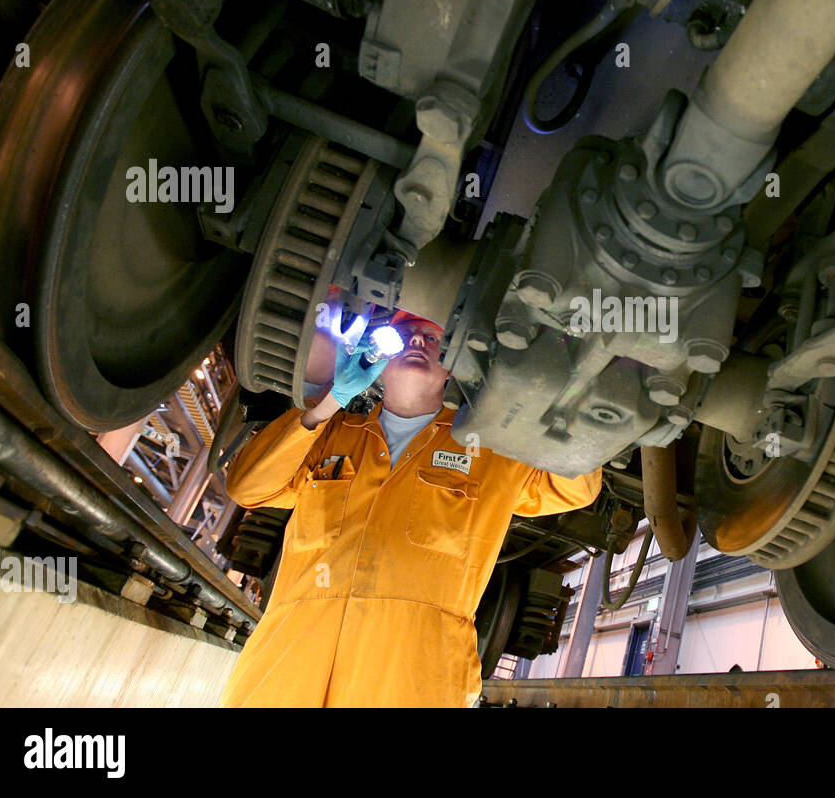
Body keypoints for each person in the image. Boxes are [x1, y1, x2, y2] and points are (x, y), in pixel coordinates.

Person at [219, 303, 602, 707]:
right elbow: (248, 486)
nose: (417, 340)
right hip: (288, 667)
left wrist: (548, 395)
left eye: (433, 337)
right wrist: (331, 399)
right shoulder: (331, 436)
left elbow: (576, 488)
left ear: (453, 366)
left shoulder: (492, 455)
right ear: (377, 359)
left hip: (411, 677)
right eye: (404, 333)